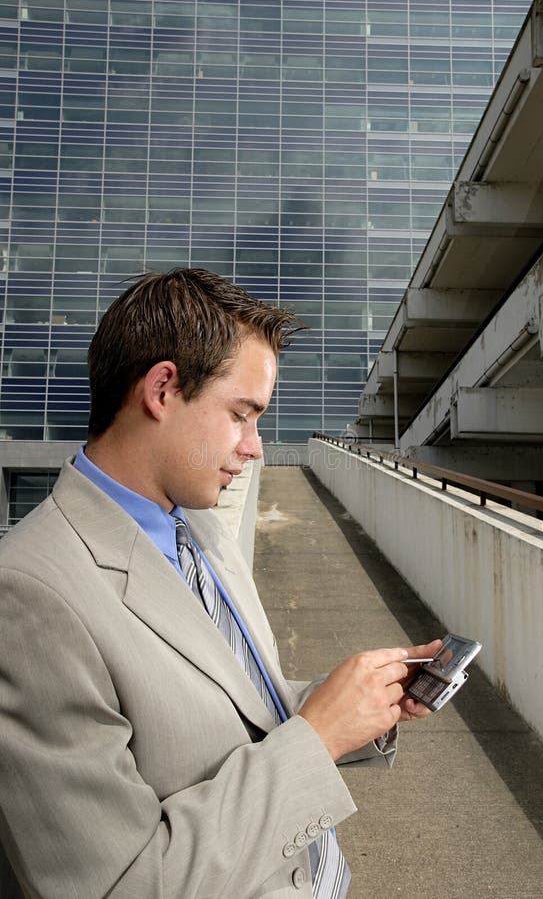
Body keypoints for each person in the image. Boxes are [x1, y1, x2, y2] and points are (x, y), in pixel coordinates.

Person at [0, 268, 441, 898]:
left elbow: (232, 707)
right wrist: (318, 738)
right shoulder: (28, 596)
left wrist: (362, 701)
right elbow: (121, 885)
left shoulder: (199, 530)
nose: (256, 448)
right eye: (241, 415)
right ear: (161, 390)